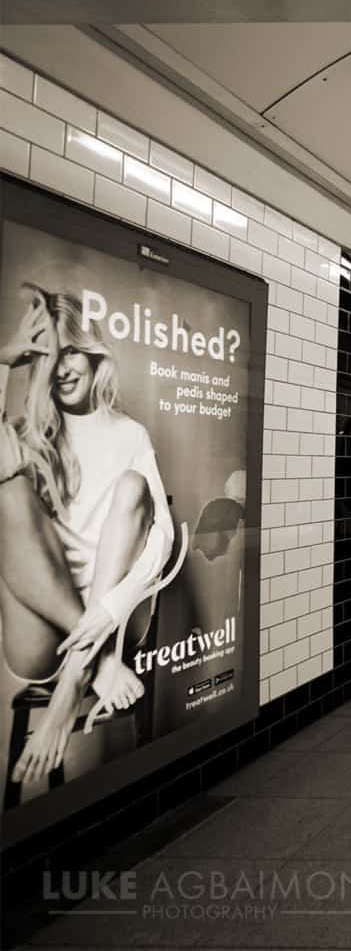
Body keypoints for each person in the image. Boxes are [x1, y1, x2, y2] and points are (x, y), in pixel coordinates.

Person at [0, 283, 175, 785]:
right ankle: (94, 669)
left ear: (91, 350)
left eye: (71, 349)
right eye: (49, 355)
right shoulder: (28, 435)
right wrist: (3, 361)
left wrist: (110, 610)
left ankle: (76, 676)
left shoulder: (129, 434)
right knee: (5, 490)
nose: (62, 368)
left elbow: (161, 537)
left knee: (133, 485)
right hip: (40, 633)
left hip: (112, 621)